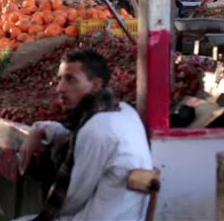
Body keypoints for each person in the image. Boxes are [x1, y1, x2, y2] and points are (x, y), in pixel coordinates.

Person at [16, 49, 153, 221]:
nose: (60, 88)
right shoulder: (123, 111)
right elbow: (70, 132)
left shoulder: (96, 130)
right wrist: (39, 130)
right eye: (60, 79)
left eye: (70, 79)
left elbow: (71, 199)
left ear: (95, 85)